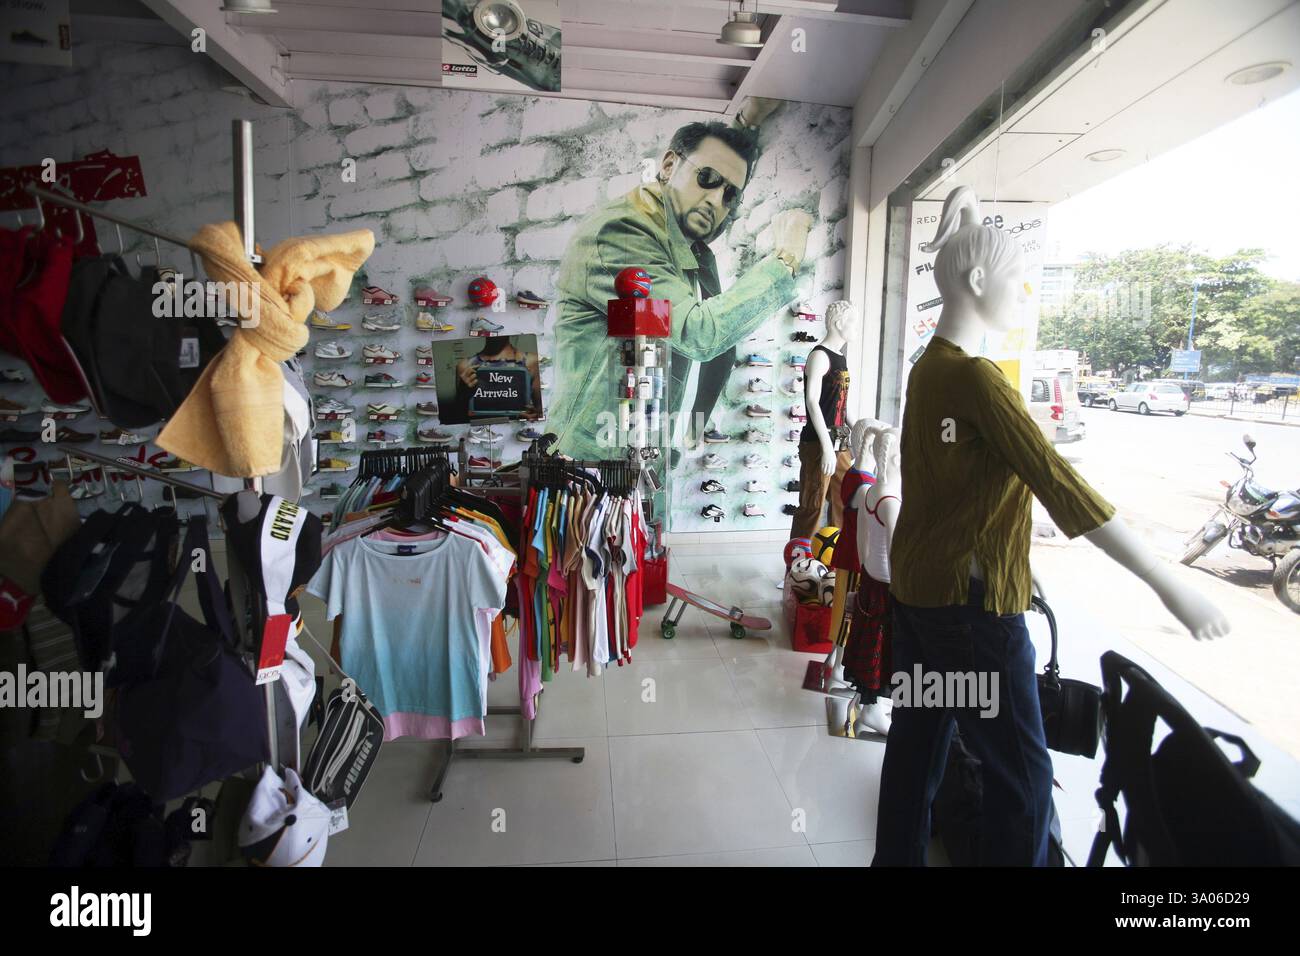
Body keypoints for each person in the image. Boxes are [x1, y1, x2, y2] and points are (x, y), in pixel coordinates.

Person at [549, 102, 813, 463]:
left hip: (634, 460)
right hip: (589, 471)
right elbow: (697, 331)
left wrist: (745, 126)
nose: (716, 200)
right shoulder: (623, 235)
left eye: (729, 194)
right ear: (669, 166)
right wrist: (785, 261)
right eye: (706, 178)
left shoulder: (681, 243)